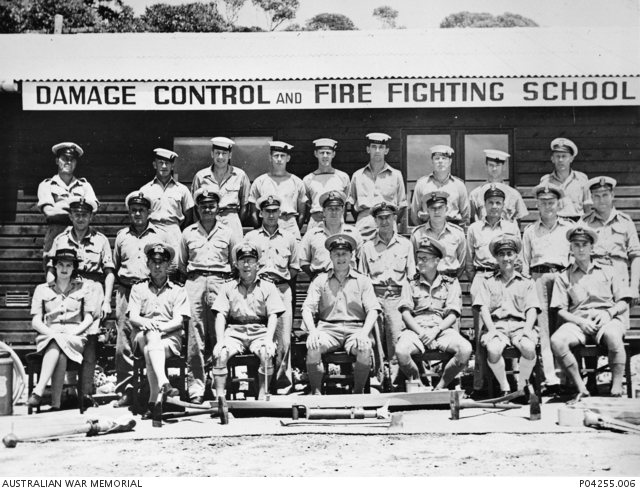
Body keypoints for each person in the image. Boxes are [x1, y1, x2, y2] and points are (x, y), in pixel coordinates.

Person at [47, 196, 115, 408]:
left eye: (85, 214)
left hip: (93, 291)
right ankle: (63, 394)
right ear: (70, 216)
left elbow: (109, 272)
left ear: (91, 216)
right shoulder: (60, 240)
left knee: (90, 344)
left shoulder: (101, 240)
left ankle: (86, 394)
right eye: (77, 214)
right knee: (65, 339)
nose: (80, 218)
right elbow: (51, 269)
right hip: (69, 290)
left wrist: (106, 301)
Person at [550, 226, 631, 401]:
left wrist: (610, 313)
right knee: (557, 340)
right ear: (570, 248)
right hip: (578, 321)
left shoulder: (608, 270)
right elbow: (560, 310)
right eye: (576, 244)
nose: (580, 249)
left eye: (584, 244)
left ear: (591, 247)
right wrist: (579, 322)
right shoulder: (564, 277)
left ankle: (616, 386)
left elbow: (624, 302)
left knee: (614, 335)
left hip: (606, 318)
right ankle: (582, 388)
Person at [178, 188, 239, 404]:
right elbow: (182, 264)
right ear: (197, 208)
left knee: (218, 333)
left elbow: (234, 263)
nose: (207, 209)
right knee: (195, 336)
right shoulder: (188, 233)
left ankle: (218, 385)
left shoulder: (228, 232)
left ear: (218, 207)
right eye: (203, 206)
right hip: (194, 282)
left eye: (211, 205)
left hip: (220, 282)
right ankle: (196, 388)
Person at [303, 234, 382, 395]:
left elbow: (373, 310)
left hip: (355, 329)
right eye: (337, 254)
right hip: (328, 329)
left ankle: (358, 393)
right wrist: (313, 332)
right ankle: (316, 394)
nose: (341, 258)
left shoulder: (362, 280)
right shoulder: (320, 280)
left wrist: (364, 334)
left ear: (351, 256)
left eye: (344, 254)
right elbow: (307, 308)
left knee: (365, 348)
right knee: (313, 346)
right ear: (330, 256)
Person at [112, 191, 167, 408]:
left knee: (149, 337)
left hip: (148, 291)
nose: (137, 214)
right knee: (123, 343)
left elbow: (163, 265)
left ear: (148, 212)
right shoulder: (121, 236)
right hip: (126, 290)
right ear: (129, 212)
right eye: (134, 210)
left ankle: (148, 386)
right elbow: (115, 266)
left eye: (141, 210)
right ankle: (126, 389)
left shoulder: (157, 236)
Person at [211, 242, 285, 401]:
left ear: (257, 264)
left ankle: (262, 395)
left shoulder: (268, 286)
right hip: (234, 332)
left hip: (259, 332)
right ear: (236, 264)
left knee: (267, 353)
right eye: (242, 261)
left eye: (250, 260)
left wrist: (268, 340)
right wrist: (220, 341)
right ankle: (219, 399)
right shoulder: (228, 287)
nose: (246, 265)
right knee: (220, 354)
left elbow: (273, 315)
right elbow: (220, 315)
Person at [465, 184, 522, 392]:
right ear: (484, 205)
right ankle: (480, 384)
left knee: (509, 324)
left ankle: (512, 381)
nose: (495, 207)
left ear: (503, 205)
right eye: (491, 203)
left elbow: (519, 260)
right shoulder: (474, 229)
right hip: (482, 277)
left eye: (498, 203)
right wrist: (477, 280)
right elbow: (468, 262)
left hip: (506, 278)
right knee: (483, 333)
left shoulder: (511, 228)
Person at [395, 237, 472, 391]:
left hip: (441, 329)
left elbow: (453, 314)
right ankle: (419, 384)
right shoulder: (410, 282)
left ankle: (441, 385)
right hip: (416, 329)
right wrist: (423, 333)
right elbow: (405, 313)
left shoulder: (450, 283)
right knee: (401, 351)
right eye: (419, 258)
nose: (420, 262)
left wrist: (435, 331)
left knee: (465, 349)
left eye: (425, 258)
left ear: (437, 260)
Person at [27, 249, 95, 411]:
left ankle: (39, 390)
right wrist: (52, 333)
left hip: (74, 336)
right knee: (58, 346)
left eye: (68, 265)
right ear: (55, 267)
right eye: (60, 265)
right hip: (48, 336)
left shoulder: (84, 288)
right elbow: (36, 321)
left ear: (74, 268)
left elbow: (89, 318)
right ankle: (55, 404)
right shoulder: (42, 289)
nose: (64, 269)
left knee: (58, 343)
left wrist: (75, 332)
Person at [244, 195, 300, 393]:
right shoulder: (251, 238)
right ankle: (259, 383)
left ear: (280, 213)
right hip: (258, 289)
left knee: (283, 338)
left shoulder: (289, 238)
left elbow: (294, 267)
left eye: (274, 211)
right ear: (260, 213)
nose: (271, 214)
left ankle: (282, 384)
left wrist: (280, 282)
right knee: (259, 335)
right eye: (267, 211)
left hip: (281, 288)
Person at [472, 236, 541, 396]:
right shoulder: (488, 282)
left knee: (529, 348)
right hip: (498, 328)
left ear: (516, 255)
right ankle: (505, 389)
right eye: (501, 255)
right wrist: (491, 331)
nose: (506, 258)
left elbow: (532, 308)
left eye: (509, 254)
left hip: (520, 327)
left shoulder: (527, 282)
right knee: (494, 350)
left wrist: (527, 330)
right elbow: (483, 308)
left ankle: (521, 388)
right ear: (496, 258)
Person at [128, 243, 190, 419]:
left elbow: (179, 319)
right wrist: (148, 324)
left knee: (151, 348)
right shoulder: (138, 288)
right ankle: (164, 383)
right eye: (154, 262)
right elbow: (133, 316)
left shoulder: (178, 289)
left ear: (168, 265)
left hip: (169, 338)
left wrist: (159, 327)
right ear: (147, 264)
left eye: (161, 262)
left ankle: (153, 402)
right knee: (149, 337)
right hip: (141, 335)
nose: (157, 267)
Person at [521, 183, 573, 392]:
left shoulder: (568, 229)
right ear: (537, 205)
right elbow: (525, 262)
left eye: (551, 202)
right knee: (542, 329)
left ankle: (564, 378)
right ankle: (550, 379)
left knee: (561, 326)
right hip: (538, 278)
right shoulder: (530, 231)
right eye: (543, 203)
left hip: (561, 277)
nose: (548, 207)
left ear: (558, 204)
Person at [358, 201, 415, 390]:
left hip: (397, 299)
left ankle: (397, 383)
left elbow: (411, 277)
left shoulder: (406, 245)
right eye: (380, 218)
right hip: (375, 298)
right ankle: (378, 381)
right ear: (375, 220)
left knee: (395, 340)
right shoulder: (367, 247)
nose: (384, 222)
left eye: (388, 218)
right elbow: (363, 279)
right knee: (376, 342)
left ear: (395, 219)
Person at [579, 176, 640, 320]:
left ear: (612, 195)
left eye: (605, 195)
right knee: (594, 325)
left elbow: (636, 255)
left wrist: (634, 287)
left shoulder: (625, 221)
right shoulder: (584, 223)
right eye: (597, 196)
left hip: (620, 278)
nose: (601, 200)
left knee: (618, 328)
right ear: (592, 198)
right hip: (594, 279)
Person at [37, 142, 99, 265]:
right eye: (64, 158)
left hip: (80, 238)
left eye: (72, 159)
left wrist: (60, 205)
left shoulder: (85, 186)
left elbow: (93, 210)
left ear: (76, 163)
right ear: (57, 161)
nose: (68, 162)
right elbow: (49, 212)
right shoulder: (47, 185)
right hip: (55, 236)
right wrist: (77, 209)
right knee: (53, 276)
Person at [139, 148, 195, 279]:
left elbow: (189, 217)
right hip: (153, 230)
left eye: (167, 163)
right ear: (154, 164)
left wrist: (177, 231)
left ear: (173, 165)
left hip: (174, 231)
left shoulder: (182, 190)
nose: (164, 166)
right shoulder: (145, 189)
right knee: (151, 266)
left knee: (174, 267)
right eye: (160, 163)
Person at [348, 133, 407, 240]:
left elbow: (402, 206)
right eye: (374, 147)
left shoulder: (396, 175)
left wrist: (390, 222)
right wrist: (365, 219)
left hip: (387, 228)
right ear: (368, 149)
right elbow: (352, 205)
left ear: (386, 150)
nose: (377, 150)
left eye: (381, 147)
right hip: (363, 230)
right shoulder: (358, 175)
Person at [191, 137, 250, 242]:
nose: (220, 157)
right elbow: (195, 206)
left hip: (232, 220)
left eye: (224, 153)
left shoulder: (240, 175)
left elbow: (244, 206)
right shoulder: (201, 176)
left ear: (230, 155)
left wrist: (234, 220)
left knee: (234, 253)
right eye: (217, 153)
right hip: (208, 220)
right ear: (212, 154)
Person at [249, 141, 308, 240]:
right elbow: (253, 212)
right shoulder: (260, 181)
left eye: (282, 156)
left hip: (289, 223)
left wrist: (294, 227)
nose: (279, 159)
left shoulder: (296, 182)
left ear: (288, 158)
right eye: (276, 156)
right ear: (270, 157)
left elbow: (302, 212)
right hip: (267, 224)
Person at [299, 190, 363, 280]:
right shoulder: (312, 234)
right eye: (330, 209)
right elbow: (302, 260)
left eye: (337, 209)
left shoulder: (353, 233)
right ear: (324, 211)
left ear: (343, 211)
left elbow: (361, 258)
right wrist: (314, 276)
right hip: (321, 282)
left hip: (348, 282)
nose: (334, 212)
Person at [410, 145, 470, 229]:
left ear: (450, 161)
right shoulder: (422, 184)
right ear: (432, 161)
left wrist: (456, 232)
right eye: (437, 158)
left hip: (452, 233)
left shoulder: (459, 185)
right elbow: (414, 214)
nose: (440, 161)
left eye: (444, 158)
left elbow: (465, 215)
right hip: (427, 232)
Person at [410, 191, 466, 279]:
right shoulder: (417, 234)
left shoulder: (457, 233)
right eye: (433, 208)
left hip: (450, 282)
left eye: (440, 208)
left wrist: (451, 280)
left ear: (446, 209)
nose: (436, 211)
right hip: (425, 283)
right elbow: (413, 262)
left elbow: (462, 263)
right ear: (427, 210)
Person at [468, 150, 528, 225]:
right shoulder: (475, 194)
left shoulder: (514, 194)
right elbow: (472, 222)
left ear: (504, 167)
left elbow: (518, 222)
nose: (494, 169)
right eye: (491, 165)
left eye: (498, 165)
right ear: (486, 166)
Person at [302, 138, 350, 229]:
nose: (325, 156)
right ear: (316, 154)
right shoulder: (308, 179)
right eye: (321, 153)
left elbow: (345, 204)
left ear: (333, 154)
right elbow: (308, 206)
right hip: (316, 222)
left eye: (328, 153)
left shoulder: (343, 177)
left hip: (337, 222)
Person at [539, 138, 591, 220]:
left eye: (564, 156)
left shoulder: (582, 179)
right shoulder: (546, 181)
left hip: (577, 223)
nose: (560, 160)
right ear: (552, 159)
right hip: (555, 224)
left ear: (571, 159)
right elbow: (541, 207)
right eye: (557, 156)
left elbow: (587, 206)